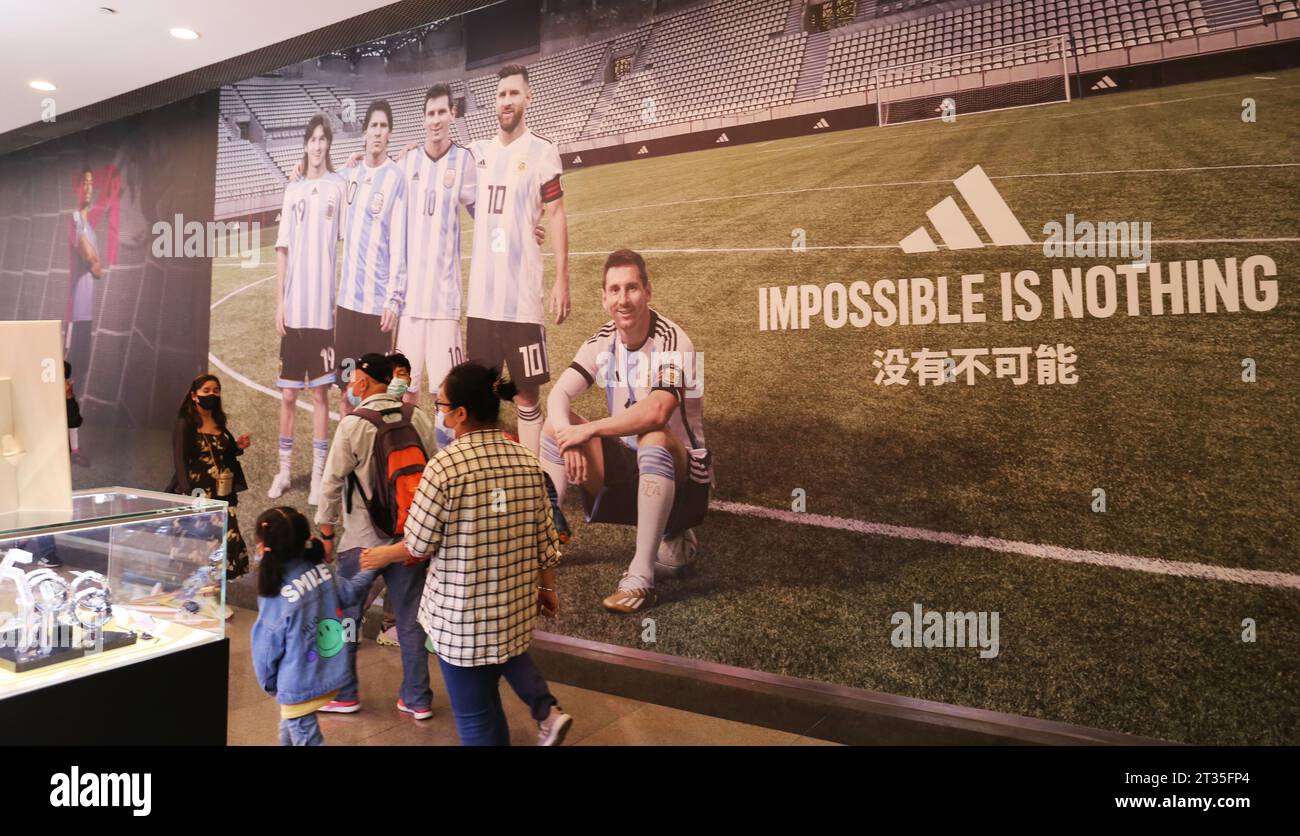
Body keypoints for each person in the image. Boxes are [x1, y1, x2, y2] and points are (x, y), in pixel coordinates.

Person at [361, 362, 572, 746]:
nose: (439, 412)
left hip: (461, 624)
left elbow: (419, 544)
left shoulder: (445, 466)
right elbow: (546, 543)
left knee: (477, 720)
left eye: (441, 405)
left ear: (460, 413)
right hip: (513, 614)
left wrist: (381, 556)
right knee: (489, 711)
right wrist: (549, 589)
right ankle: (545, 713)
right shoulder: (526, 460)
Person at [540, 250, 711, 614]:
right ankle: (545, 542)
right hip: (628, 471)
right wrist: (567, 433)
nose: (623, 299)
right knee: (551, 426)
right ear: (604, 298)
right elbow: (558, 393)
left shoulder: (672, 339)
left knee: (654, 437)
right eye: (614, 290)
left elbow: (658, 411)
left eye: (632, 288)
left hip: (683, 480)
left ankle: (641, 578)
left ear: (648, 291)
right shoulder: (603, 340)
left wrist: (587, 433)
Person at [314, 353, 436, 717]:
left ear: (365, 383)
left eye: (355, 380)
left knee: (345, 616)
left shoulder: (354, 424)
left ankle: (344, 692)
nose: (351, 385)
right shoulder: (420, 418)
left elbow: (332, 481)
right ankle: (417, 699)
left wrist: (325, 531)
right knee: (411, 620)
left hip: (361, 541)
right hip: (408, 541)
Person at [465, 63, 571, 456]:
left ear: (528, 98)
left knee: (527, 393)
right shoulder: (476, 153)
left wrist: (562, 279)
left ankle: (531, 474)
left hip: (523, 301)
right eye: (500, 94)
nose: (506, 101)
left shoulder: (543, 152)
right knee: (480, 396)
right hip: (481, 303)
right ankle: (487, 471)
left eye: (513, 93)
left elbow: (557, 214)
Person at [250, 506, 378, 746]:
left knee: (305, 735)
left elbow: (266, 646)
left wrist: (269, 683)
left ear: (263, 545)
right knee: (289, 729)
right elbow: (351, 593)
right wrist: (371, 568)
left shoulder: (276, 591)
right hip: (329, 671)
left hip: (297, 681)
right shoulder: (321, 569)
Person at [390, 84, 474, 443]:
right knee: (405, 392)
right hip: (410, 304)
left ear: (452, 114)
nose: (436, 119)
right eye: (430, 113)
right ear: (423, 118)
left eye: (442, 112)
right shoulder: (407, 162)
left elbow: (483, 212)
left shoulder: (464, 161)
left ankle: (445, 467)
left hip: (443, 303)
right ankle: (406, 460)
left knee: (447, 396)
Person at [270, 114, 346, 507]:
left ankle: (317, 476)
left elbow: (347, 241)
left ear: (328, 145)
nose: (317, 145)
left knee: (319, 396)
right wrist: (281, 300)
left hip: (322, 315)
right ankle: (284, 472)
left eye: (323, 139)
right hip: (295, 311)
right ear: (304, 144)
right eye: (312, 139)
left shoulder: (338, 187)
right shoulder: (292, 189)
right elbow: (282, 249)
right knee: (286, 397)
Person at [336, 100, 406, 420]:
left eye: (383, 126)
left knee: (375, 394)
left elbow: (400, 244)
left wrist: (394, 299)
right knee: (346, 389)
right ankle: (347, 466)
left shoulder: (396, 179)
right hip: (347, 306)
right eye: (373, 125)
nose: (378, 131)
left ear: (389, 133)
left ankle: (372, 466)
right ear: (364, 132)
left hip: (377, 310)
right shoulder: (350, 173)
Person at [167, 374, 252, 580]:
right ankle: (195, 596)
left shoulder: (218, 420)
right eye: (206, 391)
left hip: (222, 493)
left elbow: (224, 452)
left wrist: (237, 447)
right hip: (197, 492)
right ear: (194, 396)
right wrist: (188, 494)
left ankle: (216, 595)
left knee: (225, 541)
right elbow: (179, 459)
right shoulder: (185, 423)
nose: (212, 394)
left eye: (216, 390)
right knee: (197, 545)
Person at [66, 168, 104, 462]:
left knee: (75, 379)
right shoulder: (74, 218)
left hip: (86, 313)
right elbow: (89, 257)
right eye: (85, 182)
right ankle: (69, 447)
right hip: (73, 314)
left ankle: (73, 447)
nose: (89, 188)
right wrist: (93, 260)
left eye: (92, 183)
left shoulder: (89, 220)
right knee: (67, 380)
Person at [64, 361, 85, 470]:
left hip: (68, 410)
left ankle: (75, 452)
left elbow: (73, 420)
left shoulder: (66, 386)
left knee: (72, 427)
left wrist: (69, 395)